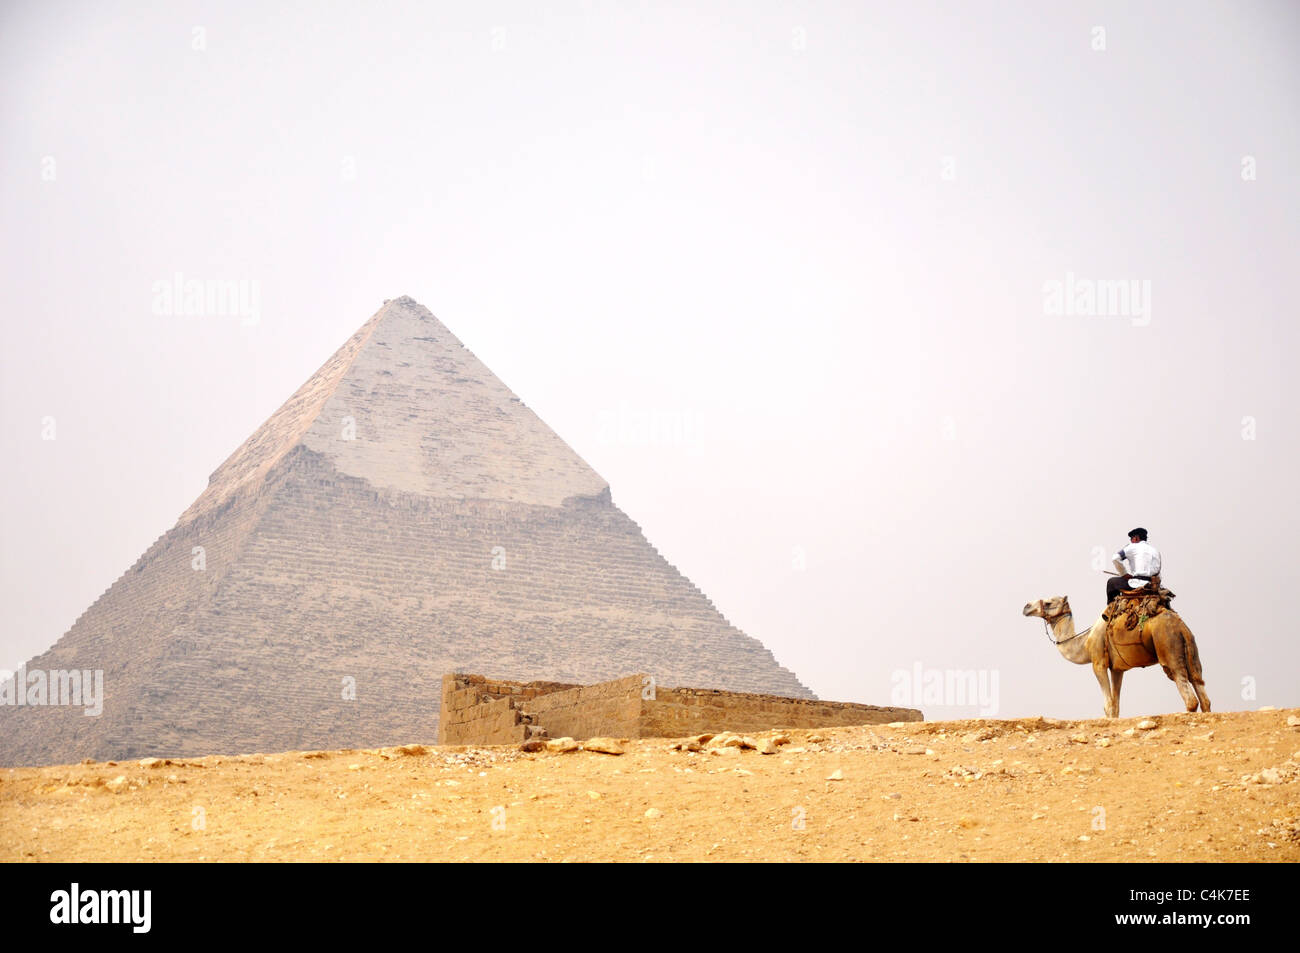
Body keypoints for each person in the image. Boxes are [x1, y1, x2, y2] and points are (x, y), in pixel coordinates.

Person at [1106, 527, 1161, 603]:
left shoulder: (1132, 546)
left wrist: (1124, 574)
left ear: (1136, 538)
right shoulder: (1155, 550)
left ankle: (1111, 610)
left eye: (1131, 539)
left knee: (1111, 582)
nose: (1131, 541)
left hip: (1137, 583)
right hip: (1152, 585)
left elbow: (1115, 558)